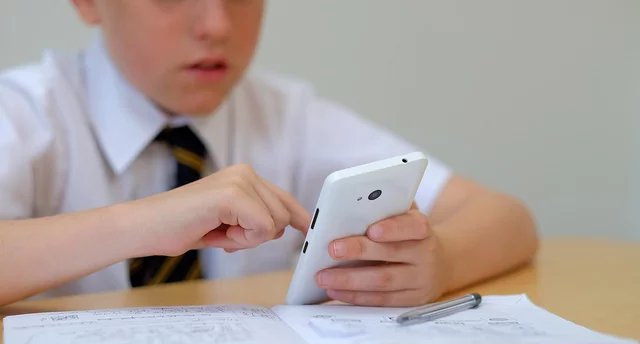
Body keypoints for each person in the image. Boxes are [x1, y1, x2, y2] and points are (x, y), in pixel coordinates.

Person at [0, 0, 538, 308]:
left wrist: (440, 261)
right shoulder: (26, 111)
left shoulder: (284, 116)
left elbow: (508, 219)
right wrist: (143, 223)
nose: (217, 25)